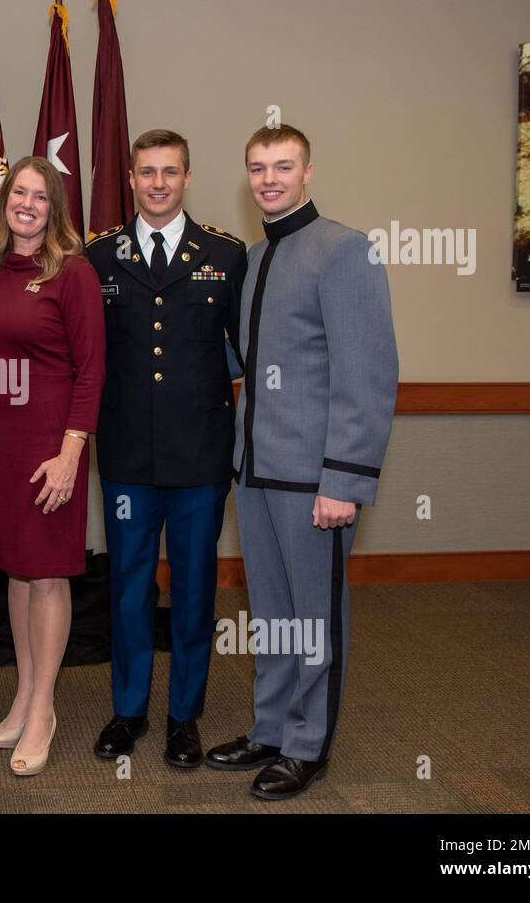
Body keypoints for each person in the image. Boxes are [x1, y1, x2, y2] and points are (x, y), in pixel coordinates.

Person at [205, 125, 398, 799]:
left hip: (316, 480)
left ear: (307, 171)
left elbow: (367, 374)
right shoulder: (255, 259)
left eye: (282, 166)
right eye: (257, 167)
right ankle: (271, 727)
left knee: (315, 616)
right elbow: (242, 360)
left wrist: (343, 480)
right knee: (274, 612)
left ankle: (308, 744)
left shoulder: (344, 250)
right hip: (255, 471)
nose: (268, 178)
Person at [84, 129, 246, 769]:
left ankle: (185, 716)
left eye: (170, 172)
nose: (157, 182)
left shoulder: (226, 256)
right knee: (126, 587)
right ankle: (128, 712)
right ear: (130, 178)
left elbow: (247, 353)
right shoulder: (100, 257)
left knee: (196, 586)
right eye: (146, 172)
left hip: (201, 455)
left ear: (187, 177)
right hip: (126, 454)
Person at [0, 156, 104, 776]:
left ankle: (44, 707)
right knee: (17, 574)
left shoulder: (73, 274)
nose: (27, 204)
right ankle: (24, 692)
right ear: (3, 201)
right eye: (18, 193)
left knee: (47, 575)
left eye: (40, 197)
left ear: (56, 209)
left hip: (50, 446)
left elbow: (91, 369)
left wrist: (72, 452)